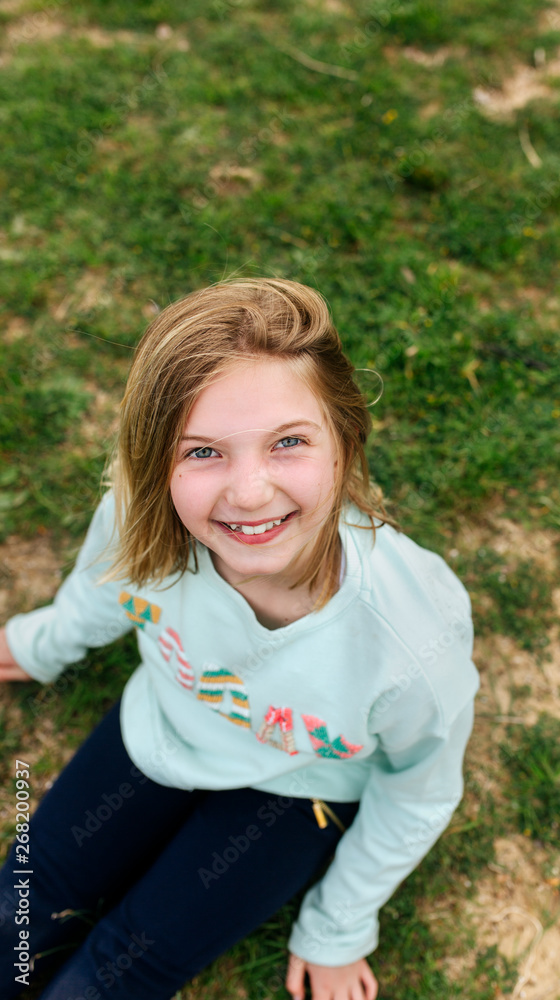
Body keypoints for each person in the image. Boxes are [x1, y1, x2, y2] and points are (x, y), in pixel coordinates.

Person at [0, 278, 479, 1000]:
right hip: (165, 724)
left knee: (120, 966)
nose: (249, 492)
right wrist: (41, 644)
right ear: (152, 463)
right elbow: (105, 586)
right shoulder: (140, 516)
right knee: (23, 904)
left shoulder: (413, 631)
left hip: (297, 784)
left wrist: (337, 925)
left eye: (288, 442)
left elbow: (416, 788)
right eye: (202, 452)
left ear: (345, 444)